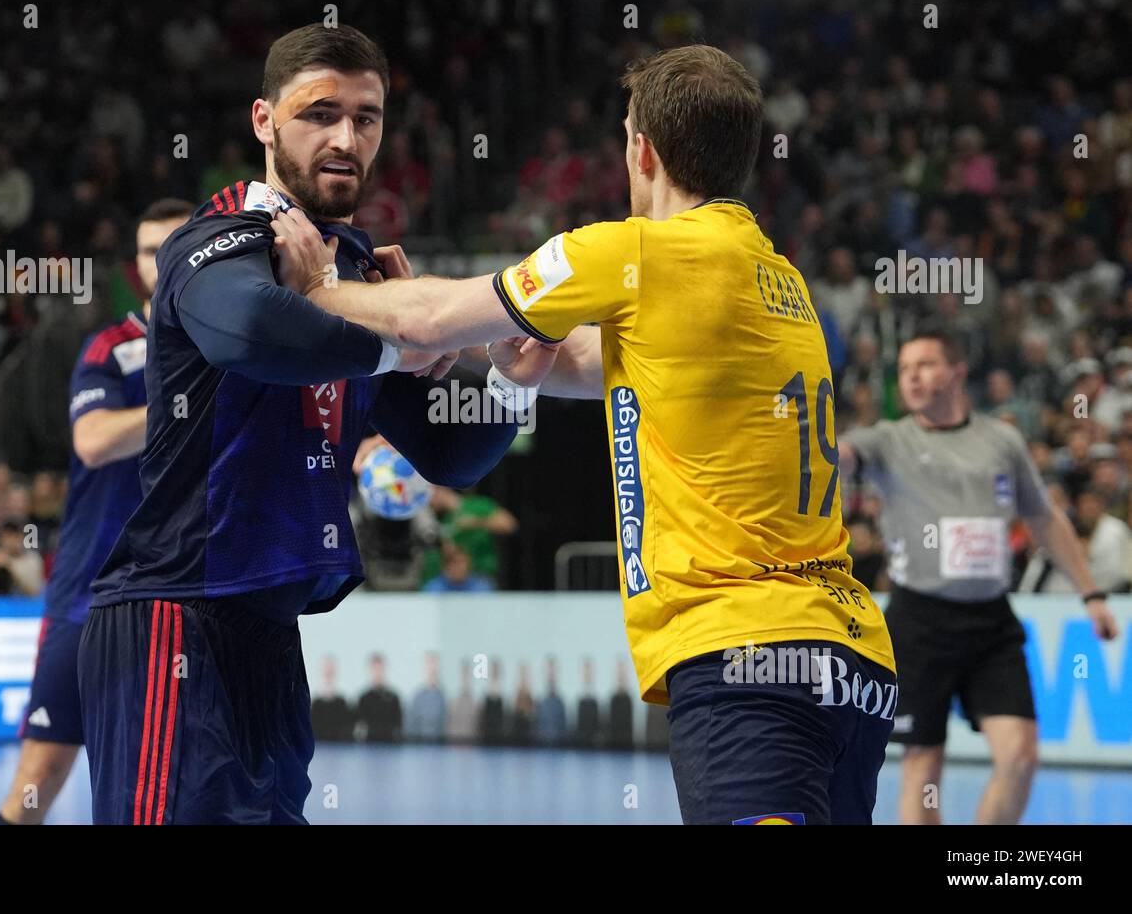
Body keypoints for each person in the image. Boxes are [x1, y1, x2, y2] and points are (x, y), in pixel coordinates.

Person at [275, 44, 896, 824]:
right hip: (852, 661)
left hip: (743, 656)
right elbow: (571, 359)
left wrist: (313, 291)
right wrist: (474, 350)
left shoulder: (631, 251)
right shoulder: (778, 279)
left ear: (642, 147)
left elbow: (423, 316)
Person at [80, 24, 524, 825]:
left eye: (367, 117)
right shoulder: (218, 238)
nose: (346, 138)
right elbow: (251, 330)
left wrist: (515, 383)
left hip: (269, 633)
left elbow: (452, 448)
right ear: (263, 122)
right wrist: (402, 334)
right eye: (319, 113)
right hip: (173, 616)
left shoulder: (347, 269)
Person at [839, 330, 1120, 825]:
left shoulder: (1001, 440)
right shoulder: (888, 439)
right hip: (919, 620)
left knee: (1021, 756)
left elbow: (1045, 519)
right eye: (905, 370)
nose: (913, 378)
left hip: (991, 622)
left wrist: (1091, 593)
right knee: (923, 765)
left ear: (957, 372)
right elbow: (840, 453)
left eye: (925, 365)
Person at [0, 198, 194, 826]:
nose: (158, 265)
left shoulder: (237, 351)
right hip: (87, 593)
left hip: (183, 600)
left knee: (170, 782)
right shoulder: (111, 348)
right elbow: (94, 440)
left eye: (172, 248)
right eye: (145, 252)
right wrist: (195, 405)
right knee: (40, 777)